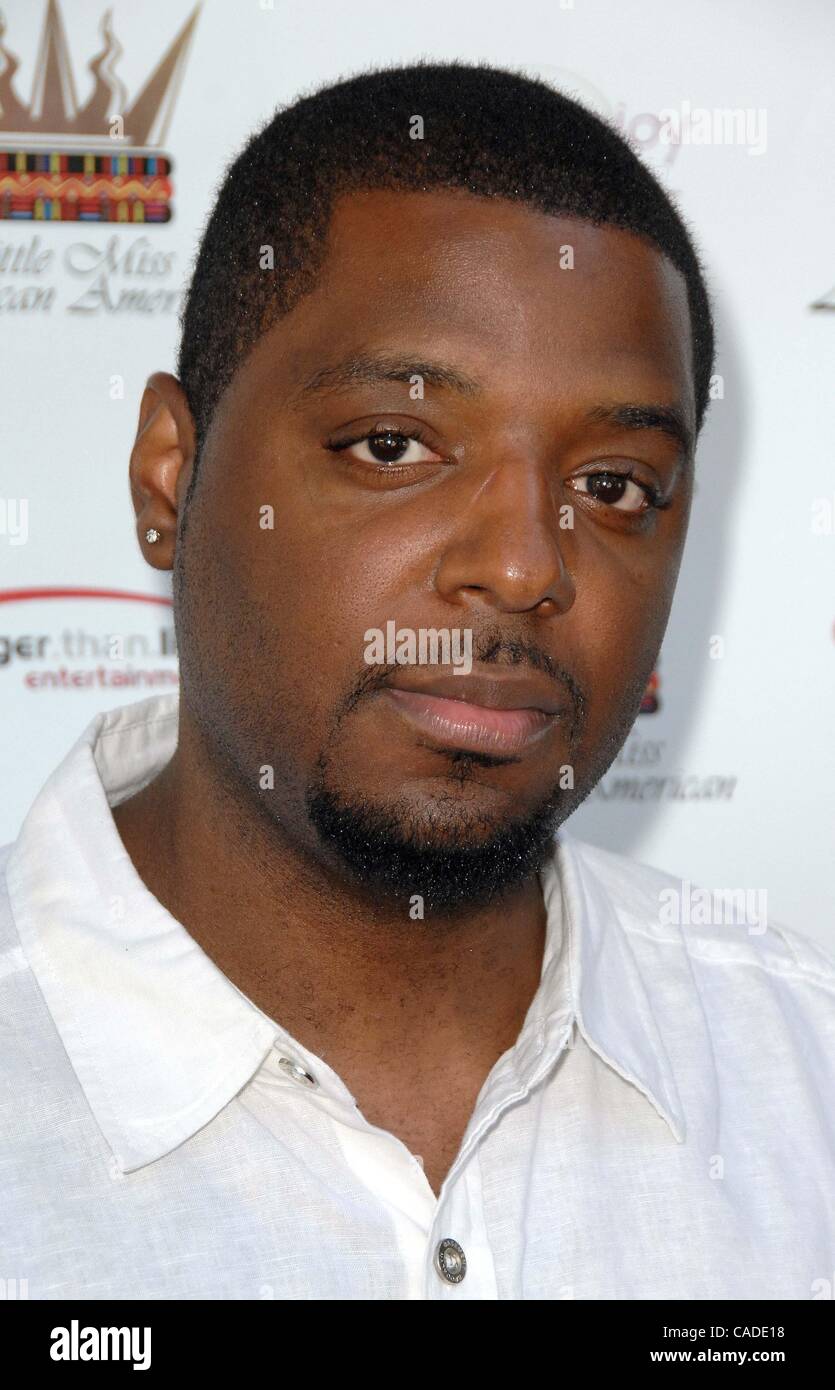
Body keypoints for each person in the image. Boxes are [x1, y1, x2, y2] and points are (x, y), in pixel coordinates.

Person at [2, 62, 832, 1301]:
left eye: (613, 487)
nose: (521, 564)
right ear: (170, 478)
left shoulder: (803, 1070)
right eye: (392, 447)